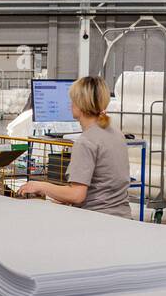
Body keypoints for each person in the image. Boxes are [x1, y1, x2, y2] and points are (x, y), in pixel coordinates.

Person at [18, 75, 131, 218]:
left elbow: (77, 195)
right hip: (123, 216)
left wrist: (40, 186)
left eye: (73, 100)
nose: (70, 104)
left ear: (81, 105)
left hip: (97, 219)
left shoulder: (86, 141)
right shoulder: (116, 132)